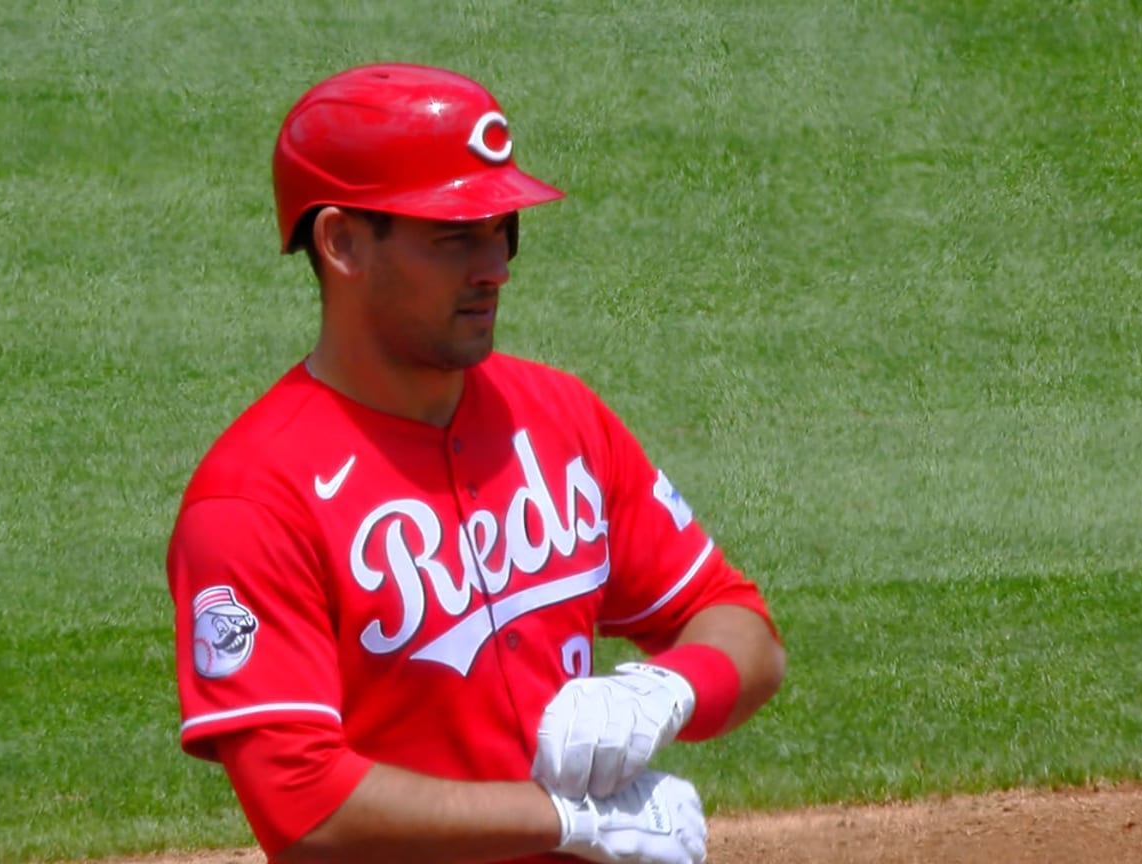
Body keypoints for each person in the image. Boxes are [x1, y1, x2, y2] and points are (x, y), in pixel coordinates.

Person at [166, 62, 785, 864]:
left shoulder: (558, 415)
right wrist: (567, 821)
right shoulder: (255, 499)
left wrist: (669, 689)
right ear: (342, 241)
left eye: (503, 230)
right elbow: (305, 807)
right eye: (455, 237)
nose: (494, 267)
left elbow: (742, 627)